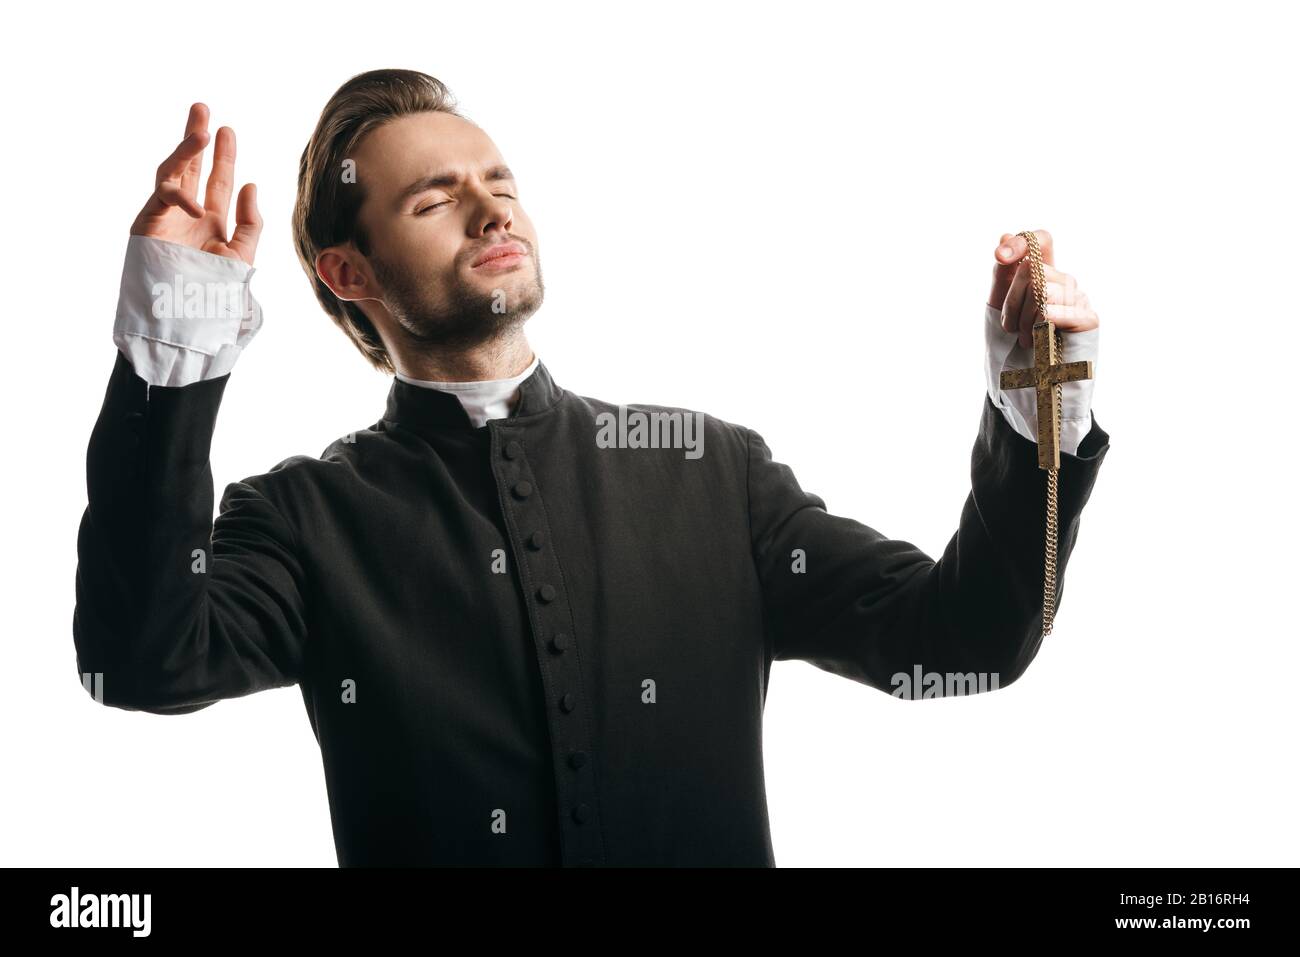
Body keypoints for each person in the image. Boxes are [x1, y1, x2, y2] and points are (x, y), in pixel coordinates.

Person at [74, 69, 1111, 867]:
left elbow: (968, 638)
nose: (492, 214)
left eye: (500, 185)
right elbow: (141, 660)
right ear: (349, 273)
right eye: (433, 203)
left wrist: (1036, 418)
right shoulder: (301, 519)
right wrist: (176, 344)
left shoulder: (713, 471)